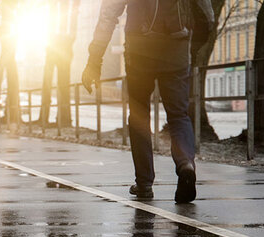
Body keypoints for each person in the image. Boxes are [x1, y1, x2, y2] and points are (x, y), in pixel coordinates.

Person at [82, 0, 214, 203]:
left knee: (139, 115)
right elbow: (206, 14)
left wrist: (94, 60)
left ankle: (144, 184)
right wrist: (191, 46)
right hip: (177, 46)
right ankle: (185, 163)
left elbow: (108, 13)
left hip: (139, 49)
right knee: (179, 115)